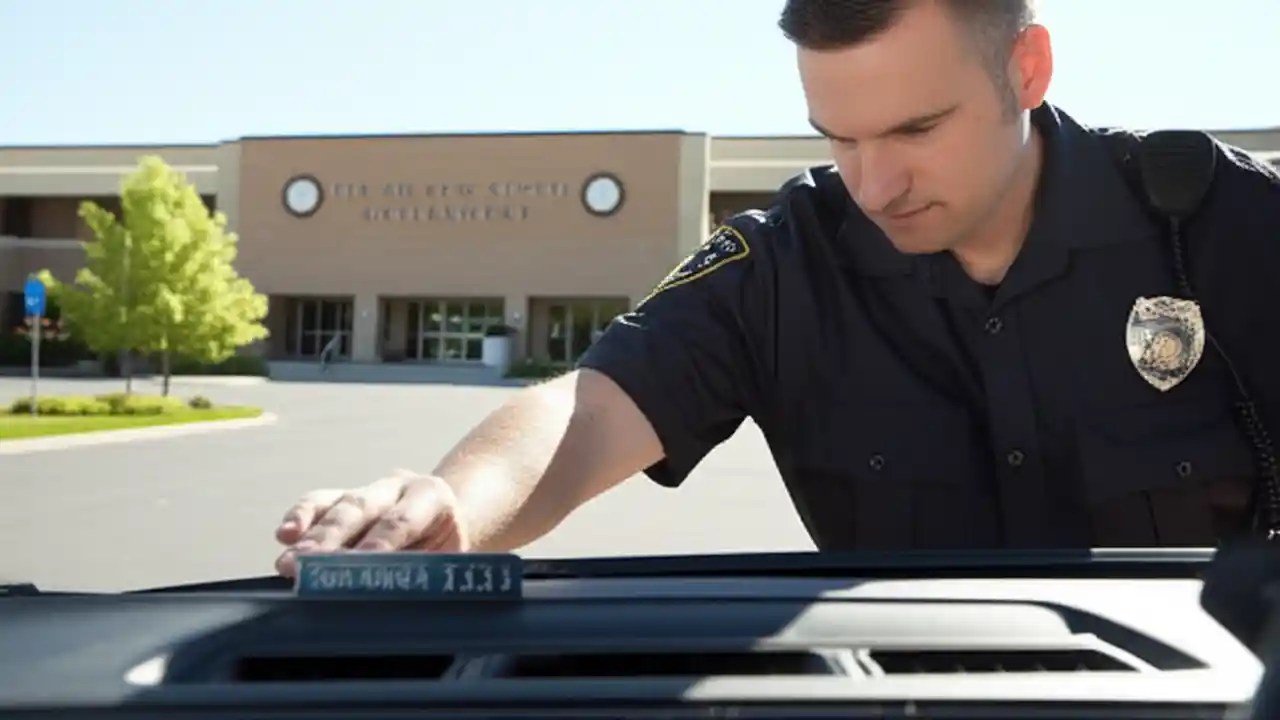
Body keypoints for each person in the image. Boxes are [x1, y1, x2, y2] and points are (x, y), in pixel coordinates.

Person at [273, 0, 1280, 577]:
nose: (872, 185)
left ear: (1026, 68)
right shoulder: (786, 262)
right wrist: (450, 502)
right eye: (836, 138)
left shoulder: (1222, 224)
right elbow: (588, 413)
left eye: (914, 130)